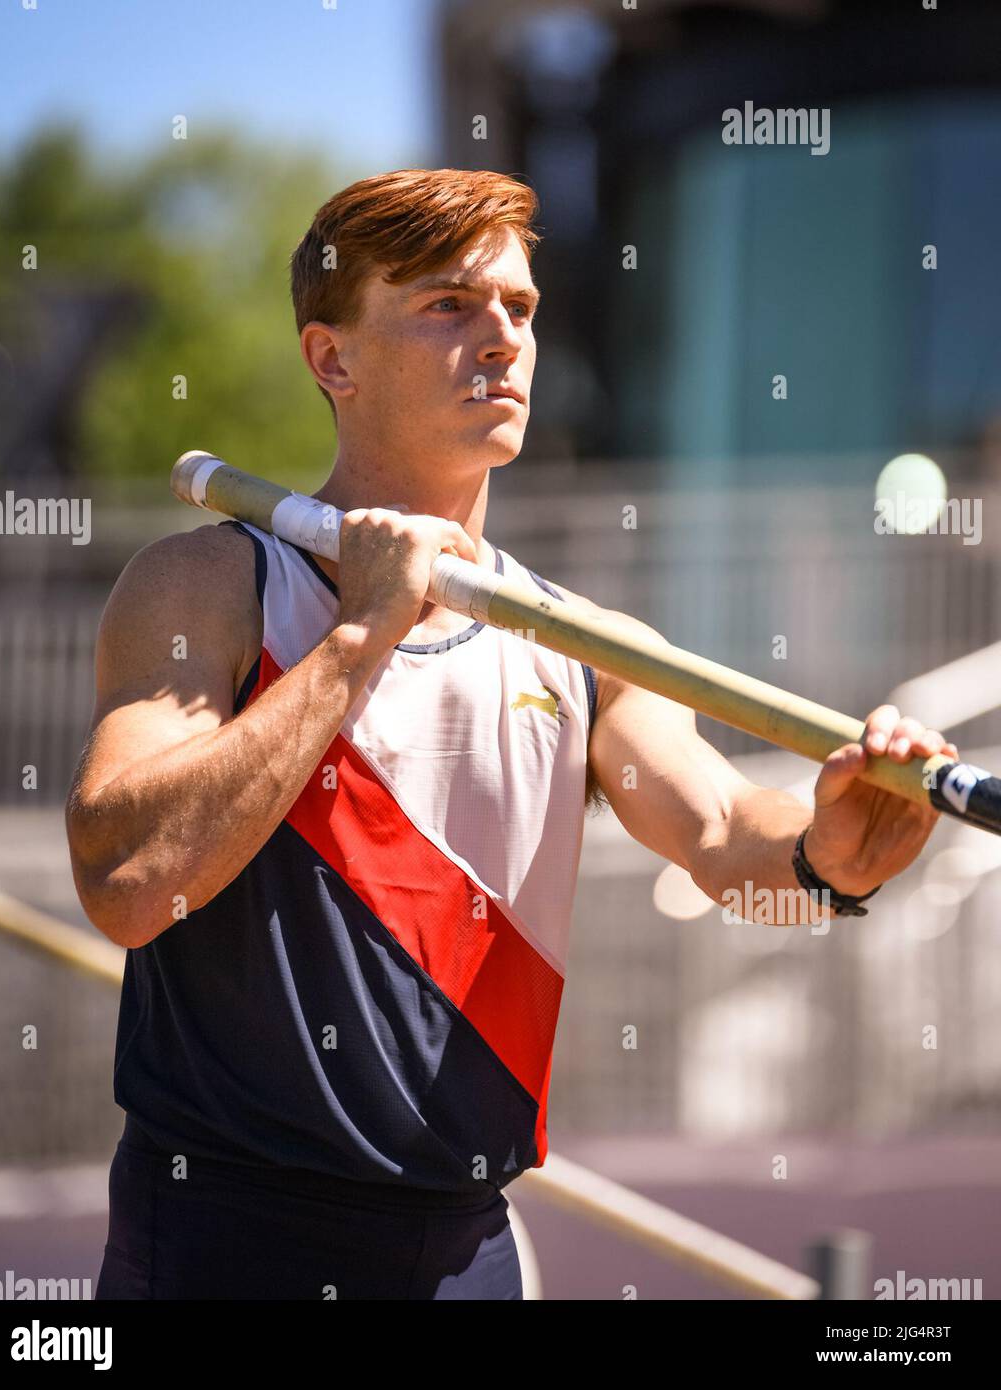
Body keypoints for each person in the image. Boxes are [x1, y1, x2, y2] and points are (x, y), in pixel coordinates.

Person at [66, 167, 959, 1300]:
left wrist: (827, 855)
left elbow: (723, 826)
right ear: (331, 359)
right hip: (226, 1239)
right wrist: (359, 637)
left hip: (465, 1250)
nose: (501, 339)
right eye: (447, 305)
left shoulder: (584, 643)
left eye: (519, 308)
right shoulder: (209, 585)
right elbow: (127, 883)